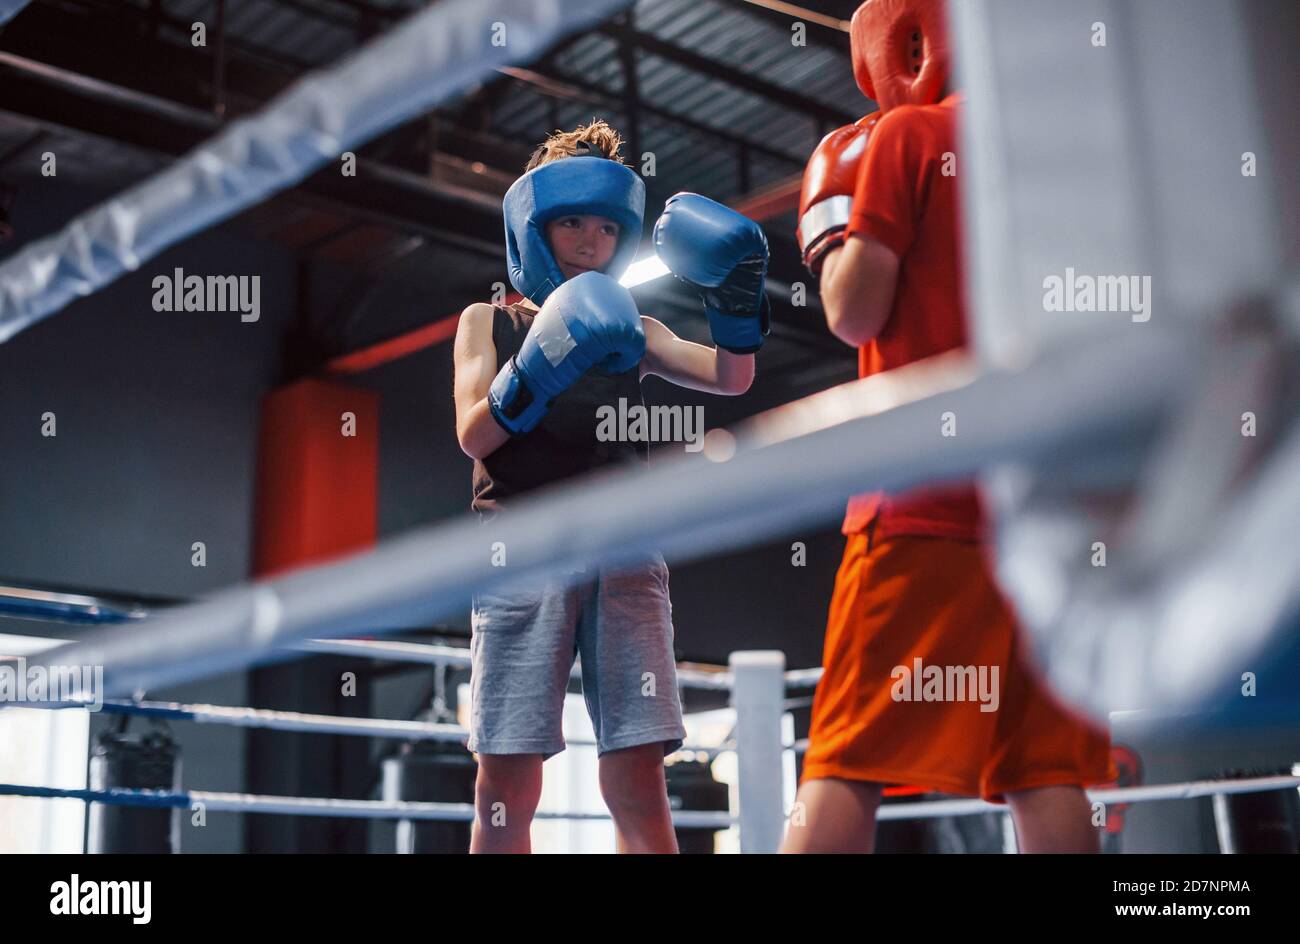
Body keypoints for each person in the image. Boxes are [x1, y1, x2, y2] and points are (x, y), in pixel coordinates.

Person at [783, 0, 1116, 853]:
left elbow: (855, 315)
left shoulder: (907, 137)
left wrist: (832, 238)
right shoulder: (1062, 163)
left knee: (844, 757)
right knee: (1045, 769)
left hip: (922, 504)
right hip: (1046, 506)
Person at [452, 120, 770, 853]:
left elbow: (731, 375)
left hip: (624, 552)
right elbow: (474, 432)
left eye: (604, 225)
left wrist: (737, 293)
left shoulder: (637, 328)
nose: (590, 240)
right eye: (570, 223)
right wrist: (540, 363)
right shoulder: (486, 321)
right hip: (518, 550)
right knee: (506, 782)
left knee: (637, 777)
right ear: (532, 229)